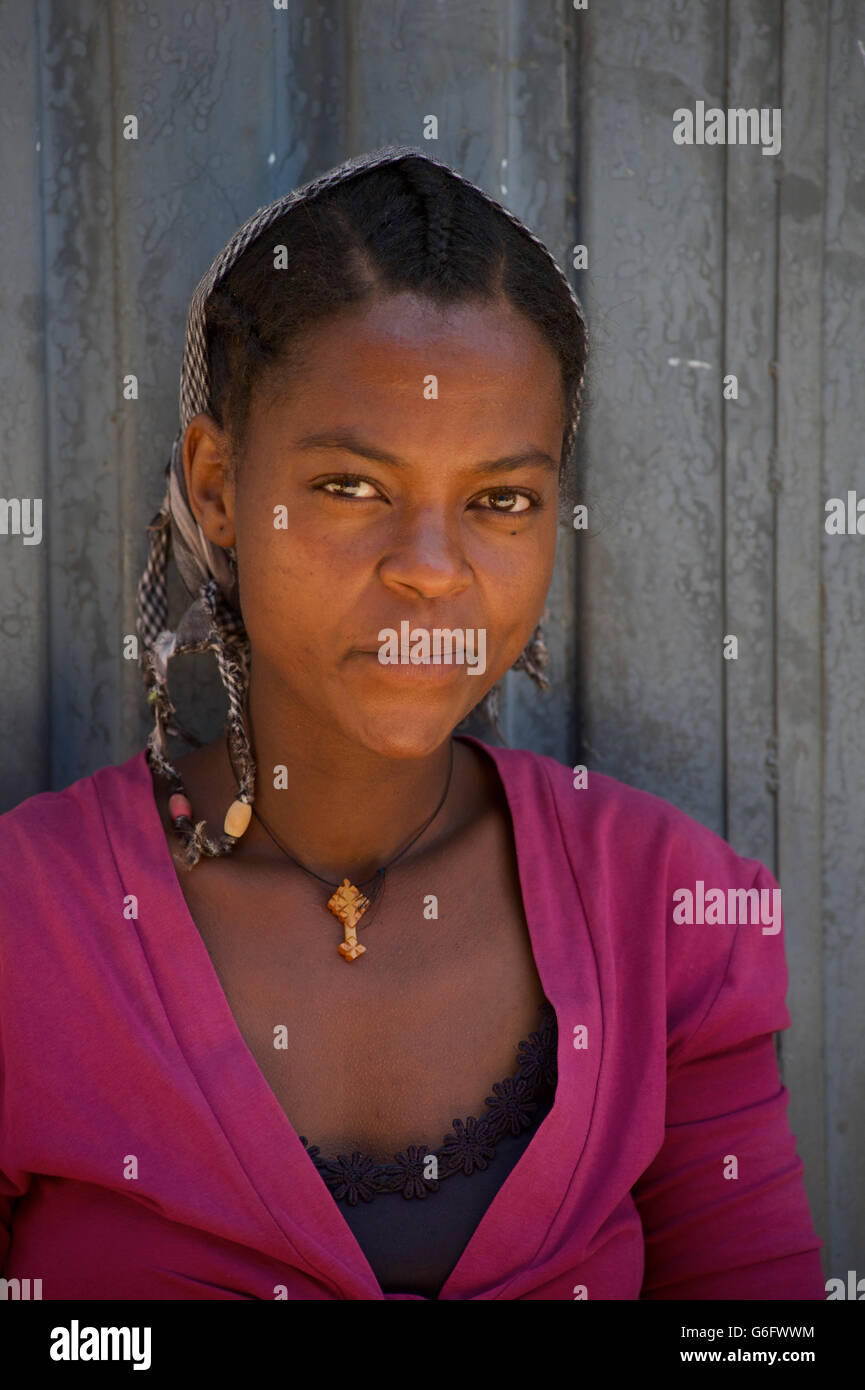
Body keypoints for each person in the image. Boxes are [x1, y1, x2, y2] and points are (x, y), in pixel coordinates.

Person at [0, 145, 825, 1301]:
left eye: (499, 500)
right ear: (219, 488)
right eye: (352, 486)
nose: (433, 573)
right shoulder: (28, 926)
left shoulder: (669, 911)